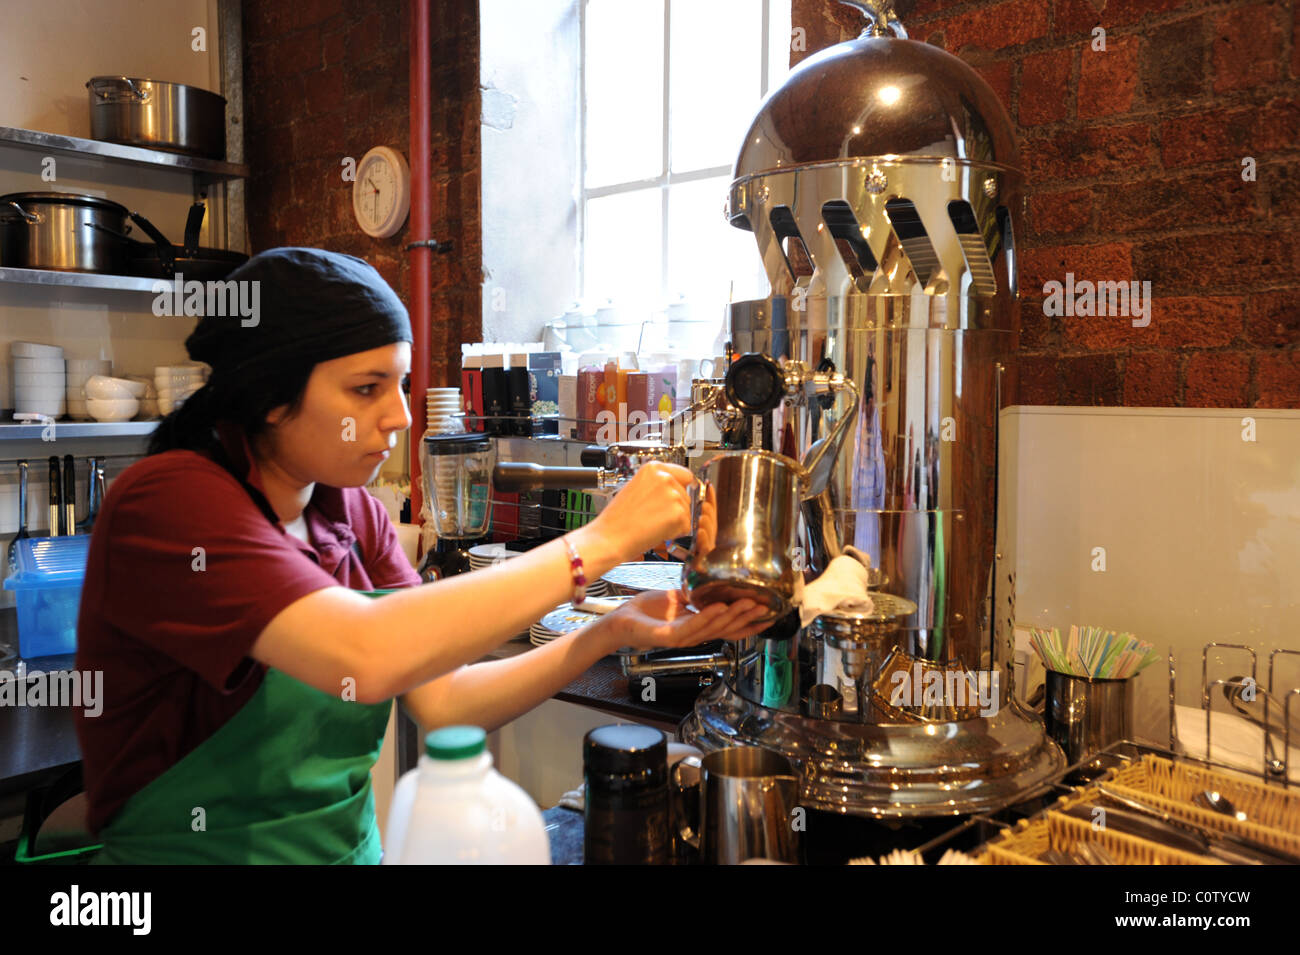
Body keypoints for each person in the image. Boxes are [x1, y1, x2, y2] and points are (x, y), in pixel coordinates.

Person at [73, 248, 768, 864]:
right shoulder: (166, 503)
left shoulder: (347, 512)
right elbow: (363, 653)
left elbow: (444, 701)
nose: (401, 417)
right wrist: (601, 539)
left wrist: (608, 630)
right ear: (271, 397)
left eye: (400, 385)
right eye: (365, 388)